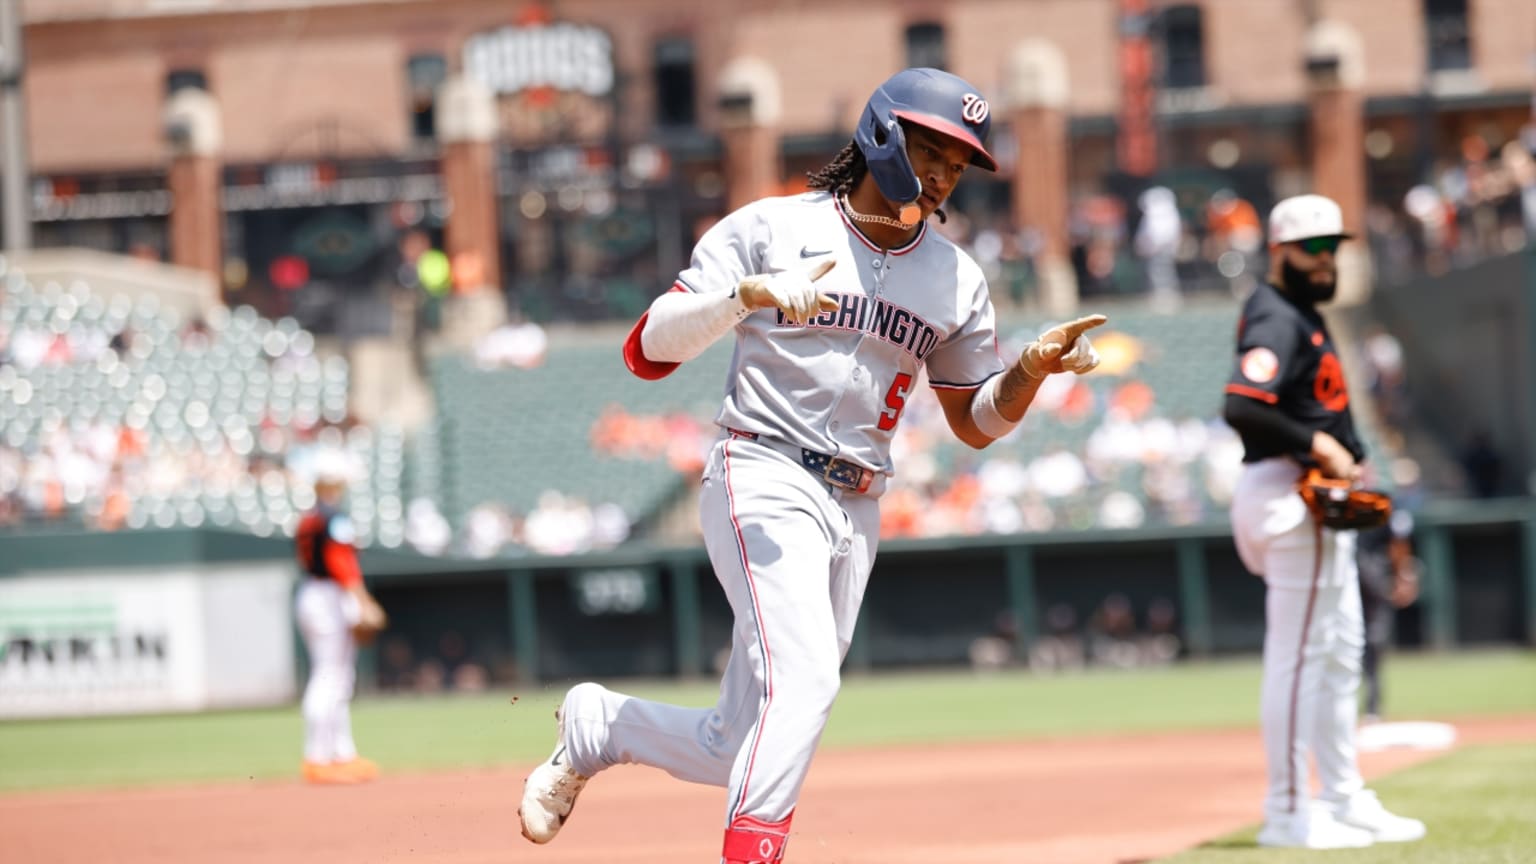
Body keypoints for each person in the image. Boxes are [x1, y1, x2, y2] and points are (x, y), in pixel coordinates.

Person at [518, 67, 1106, 863]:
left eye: (959, 162)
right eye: (932, 148)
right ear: (883, 134)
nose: (942, 174)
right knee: (807, 687)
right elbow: (646, 349)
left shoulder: (957, 276)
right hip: (762, 470)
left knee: (744, 739)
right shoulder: (769, 227)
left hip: (858, 502)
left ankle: (599, 727)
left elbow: (973, 422)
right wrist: (745, 298)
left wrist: (1031, 369)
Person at [1222, 194, 1426, 849]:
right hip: (1289, 496)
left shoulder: (1303, 312)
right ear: (1280, 250)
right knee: (1301, 660)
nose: (1324, 257)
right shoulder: (1276, 312)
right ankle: (1286, 811)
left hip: (1310, 504)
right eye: (1312, 247)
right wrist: (1320, 446)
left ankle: (1343, 797)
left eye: (1332, 246)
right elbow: (1243, 405)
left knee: (1341, 657)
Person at [293, 450, 387, 785]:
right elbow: (340, 561)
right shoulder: (333, 518)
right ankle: (317, 757)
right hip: (329, 596)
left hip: (313, 592)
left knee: (339, 676)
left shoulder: (310, 517)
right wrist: (361, 601)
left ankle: (342, 754)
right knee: (329, 674)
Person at [1357, 508, 1420, 722]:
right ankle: (1365, 707)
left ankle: (1372, 706)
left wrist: (1403, 575)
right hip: (1352, 575)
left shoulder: (1385, 505)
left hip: (1371, 576)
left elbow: (1399, 542)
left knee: (1374, 640)